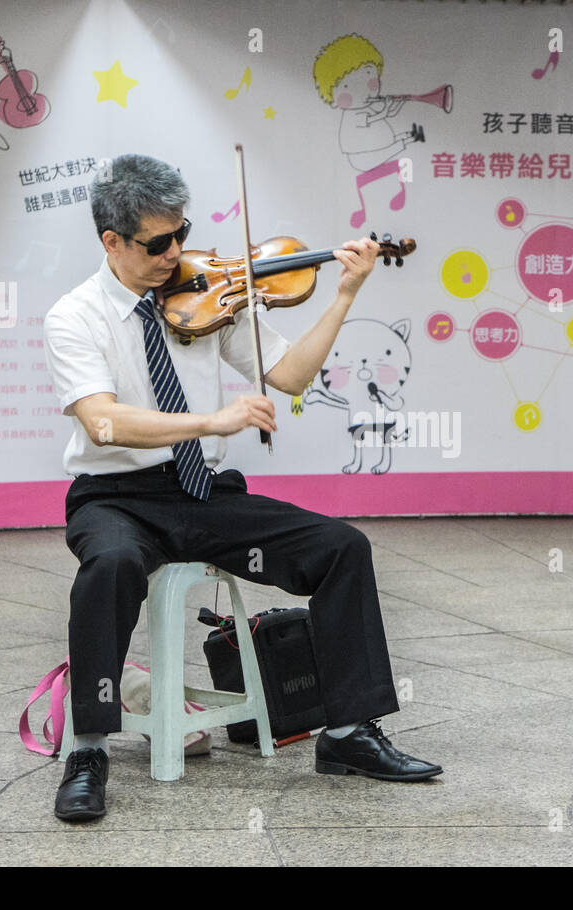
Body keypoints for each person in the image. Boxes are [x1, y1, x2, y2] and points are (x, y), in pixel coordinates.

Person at [43, 153, 442, 822]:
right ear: (110, 241)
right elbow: (103, 421)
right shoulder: (74, 317)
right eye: (156, 243)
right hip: (114, 498)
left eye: (181, 232)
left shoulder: (207, 297)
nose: (176, 253)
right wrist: (211, 418)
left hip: (203, 492)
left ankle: (347, 733)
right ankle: (88, 748)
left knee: (342, 547)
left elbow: (287, 373)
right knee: (109, 566)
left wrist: (345, 293)